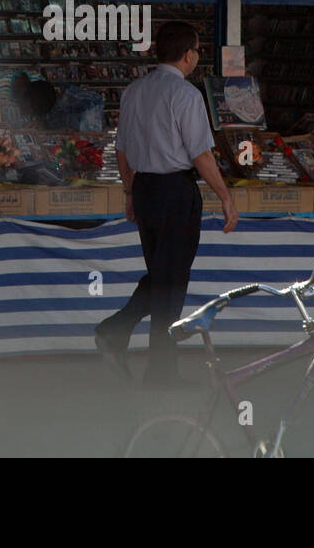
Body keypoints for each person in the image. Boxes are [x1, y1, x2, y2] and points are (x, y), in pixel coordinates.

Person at [94, 20, 239, 388]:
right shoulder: (186, 95)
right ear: (188, 55)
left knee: (162, 274)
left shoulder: (134, 91)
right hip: (175, 191)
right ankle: (156, 368)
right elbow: (201, 155)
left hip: (145, 189)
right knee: (172, 282)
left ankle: (122, 333)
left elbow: (122, 149)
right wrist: (225, 196)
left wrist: (130, 192)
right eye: (197, 52)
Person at [11, 73, 104, 133]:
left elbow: (92, 137)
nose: (30, 112)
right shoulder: (47, 106)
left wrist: (73, 134)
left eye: (30, 109)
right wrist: (43, 124)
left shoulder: (86, 102)